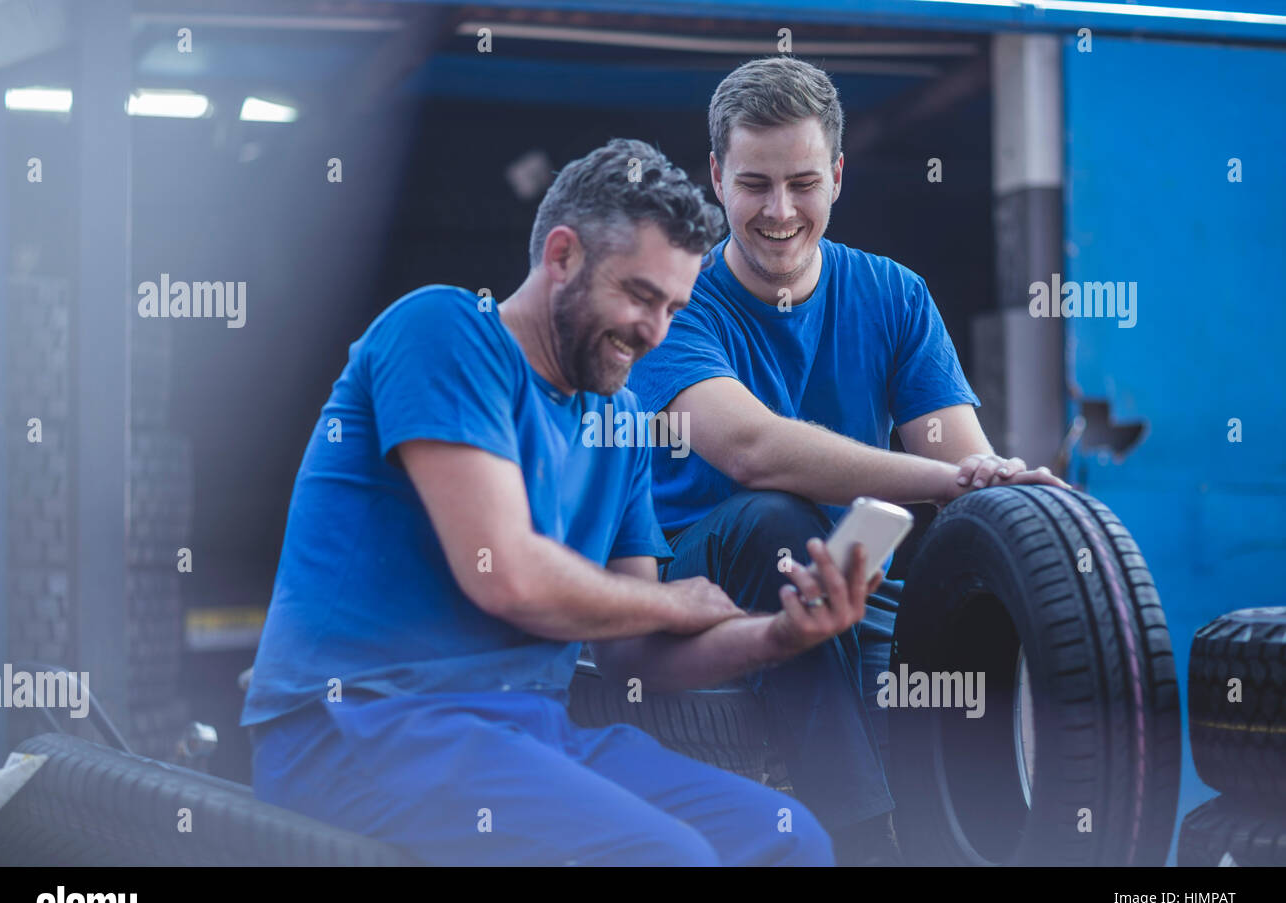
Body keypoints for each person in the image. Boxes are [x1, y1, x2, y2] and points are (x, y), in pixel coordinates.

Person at [240, 139, 881, 866]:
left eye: (674, 306)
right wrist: (680, 602)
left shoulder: (625, 424)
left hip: (534, 733)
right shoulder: (443, 332)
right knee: (666, 857)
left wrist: (781, 636)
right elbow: (504, 573)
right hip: (359, 729)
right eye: (640, 296)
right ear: (563, 255)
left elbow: (634, 657)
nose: (656, 332)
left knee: (788, 836)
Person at [627, 57, 1071, 864]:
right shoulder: (677, 299)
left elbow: (962, 468)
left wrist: (999, 487)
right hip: (709, 585)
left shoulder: (893, 295)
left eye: (802, 182)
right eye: (754, 184)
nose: (780, 210)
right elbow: (749, 450)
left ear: (836, 175)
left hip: (860, 596)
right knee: (776, 517)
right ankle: (863, 841)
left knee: (984, 546)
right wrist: (946, 480)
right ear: (717, 178)